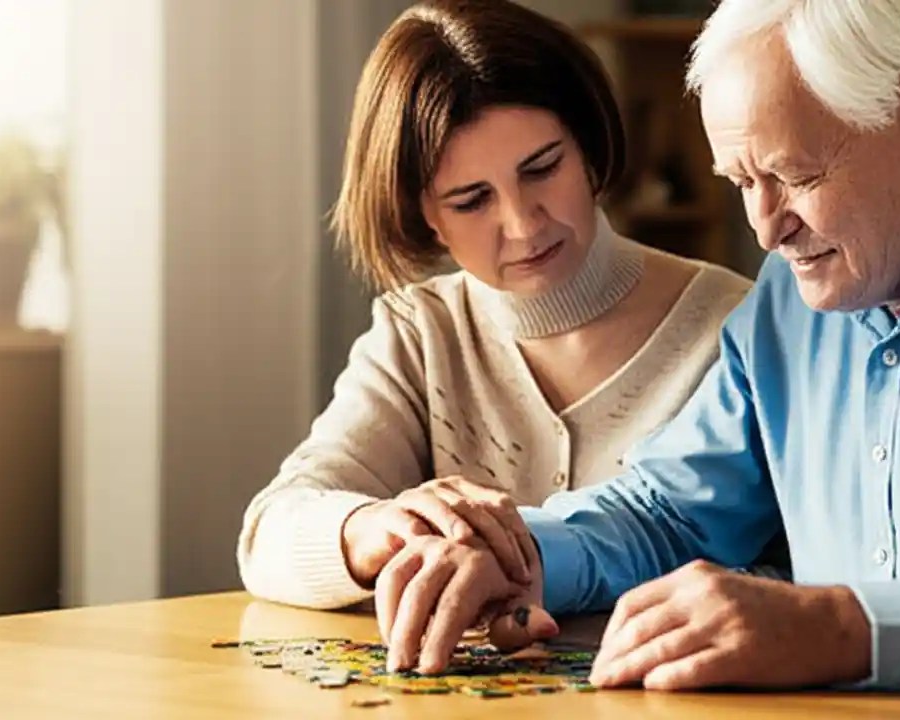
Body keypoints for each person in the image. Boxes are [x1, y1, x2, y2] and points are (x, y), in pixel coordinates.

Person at [370, 0, 900, 696]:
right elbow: (669, 514)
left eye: (792, 175)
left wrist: (841, 627)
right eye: (741, 183)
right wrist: (514, 555)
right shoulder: (792, 298)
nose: (764, 226)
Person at [236, 0, 756, 620]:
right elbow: (269, 531)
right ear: (423, 215)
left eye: (542, 168)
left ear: (588, 146)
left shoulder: (742, 326)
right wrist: (372, 527)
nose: (522, 223)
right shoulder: (419, 332)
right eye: (471, 199)